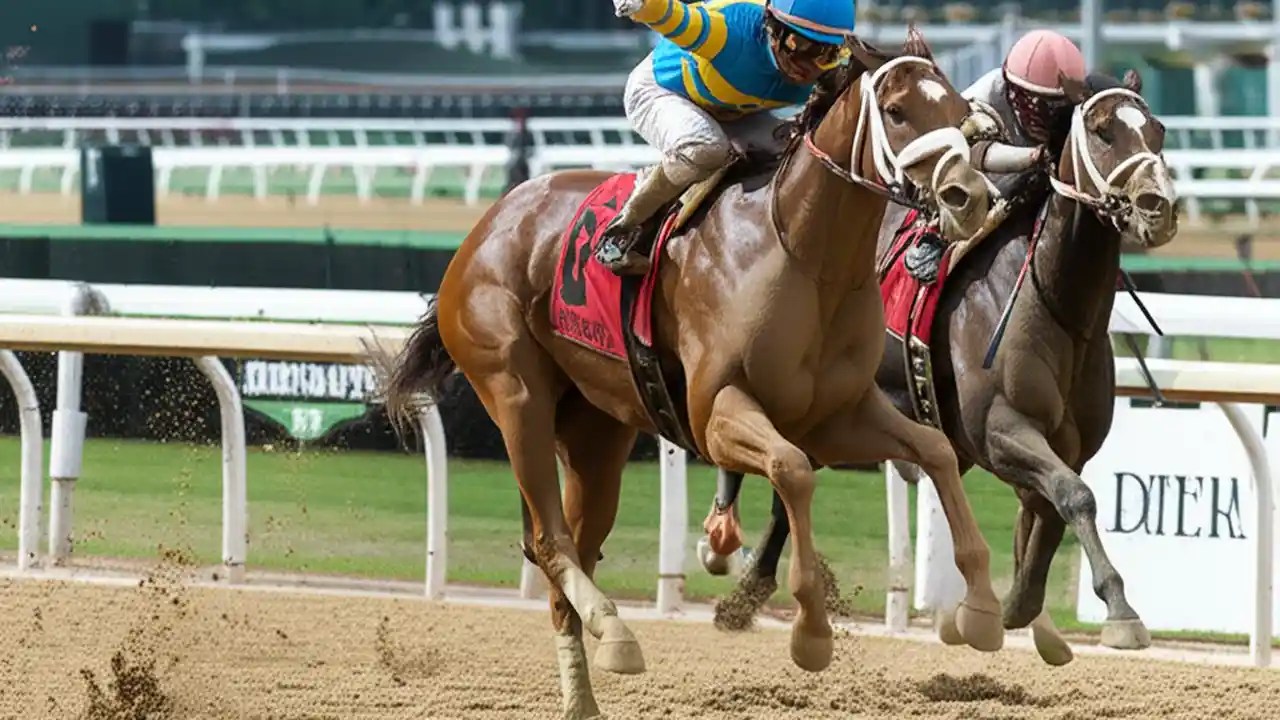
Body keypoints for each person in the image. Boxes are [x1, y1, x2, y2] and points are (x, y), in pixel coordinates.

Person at [595, 0, 857, 275]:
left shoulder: (836, 66)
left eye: (824, 53)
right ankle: (622, 230)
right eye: (797, 45)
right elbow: (675, 17)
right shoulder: (731, 32)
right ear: (772, 27)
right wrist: (643, 5)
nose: (807, 66)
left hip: (735, 110)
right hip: (662, 91)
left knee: (797, 154)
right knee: (706, 148)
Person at [962, 29, 1087, 163]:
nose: (1044, 110)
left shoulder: (1086, 105)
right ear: (1012, 87)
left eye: (1055, 101)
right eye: (1034, 97)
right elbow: (971, 155)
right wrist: (1038, 156)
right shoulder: (980, 102)